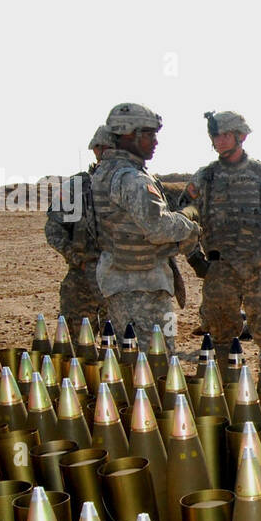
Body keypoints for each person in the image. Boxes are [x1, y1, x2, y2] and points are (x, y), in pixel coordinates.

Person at [90, 103, 199, 353]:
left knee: (132, 360)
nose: (155, 142)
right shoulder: (132, 179)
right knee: (159, 360)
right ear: (129, 134)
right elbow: (158, 227)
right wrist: (189, 226)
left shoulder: (106, 172)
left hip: (119, 283)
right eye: (149, 135)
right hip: (143, 288)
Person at [183, 110, 261, 343]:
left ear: (241, 136)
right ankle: (226, 379)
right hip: (219, 269)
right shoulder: (204, 178)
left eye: (226, 135)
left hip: (259, 268)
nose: (220, 140)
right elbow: (186, 219)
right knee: (219, 334)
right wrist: (194, 258)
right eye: (216, 136)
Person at [45, 124, 113, 325]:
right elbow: (54, 229)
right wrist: (77, 259)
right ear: (96, 150)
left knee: (127, 346)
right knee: (78, 345)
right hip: (83, 277)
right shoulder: (76, 187)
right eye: (105, 148)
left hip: (125, 279)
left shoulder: (135, 183)